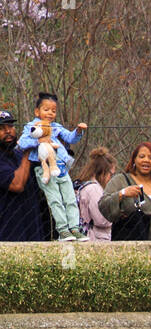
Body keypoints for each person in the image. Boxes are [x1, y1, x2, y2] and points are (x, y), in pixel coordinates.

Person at [16, 91, 87, 240]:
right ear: (37, 111)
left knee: (70, 198)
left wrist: (78, 131)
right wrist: (38, 141)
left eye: (53, 111)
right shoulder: (32, 127)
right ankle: (63, 230)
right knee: (55, 200)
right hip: (44, 168)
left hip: (61, 167)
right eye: (46, 110)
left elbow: (70, 138)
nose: (50, 113)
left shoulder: (56, 127)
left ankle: (74, 228)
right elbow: (22, 143)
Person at [99, 141, 151, 240]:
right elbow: (103, 205)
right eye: (141, 156)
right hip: (129, 248)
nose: (146, 160)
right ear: (134, 160)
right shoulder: (120, 181)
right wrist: (122, 194)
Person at [0, 107, 48, 241]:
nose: (8, 131)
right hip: (7, 236)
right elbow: (17, 184)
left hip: (33, 232)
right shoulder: (24, 155)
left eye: (10, 126)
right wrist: (28, 151)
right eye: (1, 128)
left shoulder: (19, 155)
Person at [76, 147, 117, 241]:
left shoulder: (82, 185)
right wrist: (115, 212)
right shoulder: (94, 189)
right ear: (103, 171)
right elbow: (102, 220)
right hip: (95, 239)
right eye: (111, 174)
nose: (111, 178)